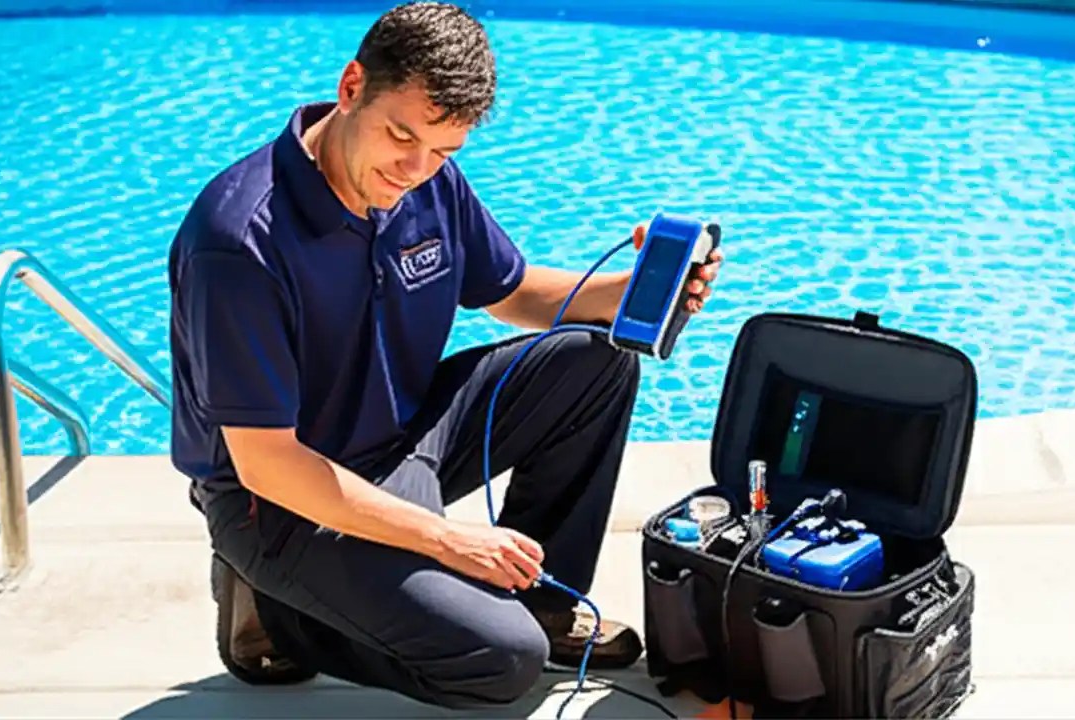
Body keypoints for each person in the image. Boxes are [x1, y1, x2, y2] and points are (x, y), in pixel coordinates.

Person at [165, 1, 723, 709]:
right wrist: (448, 541)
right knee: (502, 663)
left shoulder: (426, 176)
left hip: (407, 436)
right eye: (402, 136)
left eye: (443, 152)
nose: (415, 169)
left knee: (596, 361)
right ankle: (276, 614)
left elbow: (512, 291)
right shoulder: (238, 242)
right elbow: (267, 462)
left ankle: (542, 599)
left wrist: (633, 290)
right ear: (350, 86)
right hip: (282, 500)